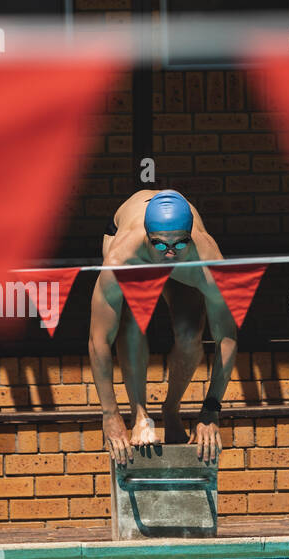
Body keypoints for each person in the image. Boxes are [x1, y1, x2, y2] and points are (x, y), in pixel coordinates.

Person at [89, 189, 236, 465]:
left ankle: (172, 407)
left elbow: (226, 336)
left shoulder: (208, 263)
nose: (169, 254)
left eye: (179, 245)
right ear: (147, 237)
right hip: (133, 252)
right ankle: (140, 414)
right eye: (160, 245)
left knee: (191, 332)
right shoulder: (121, 259)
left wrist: (211, 411)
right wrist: (110, 414)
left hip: (184, 266)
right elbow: (99, 339)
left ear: (190, 239)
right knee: (132, 323)